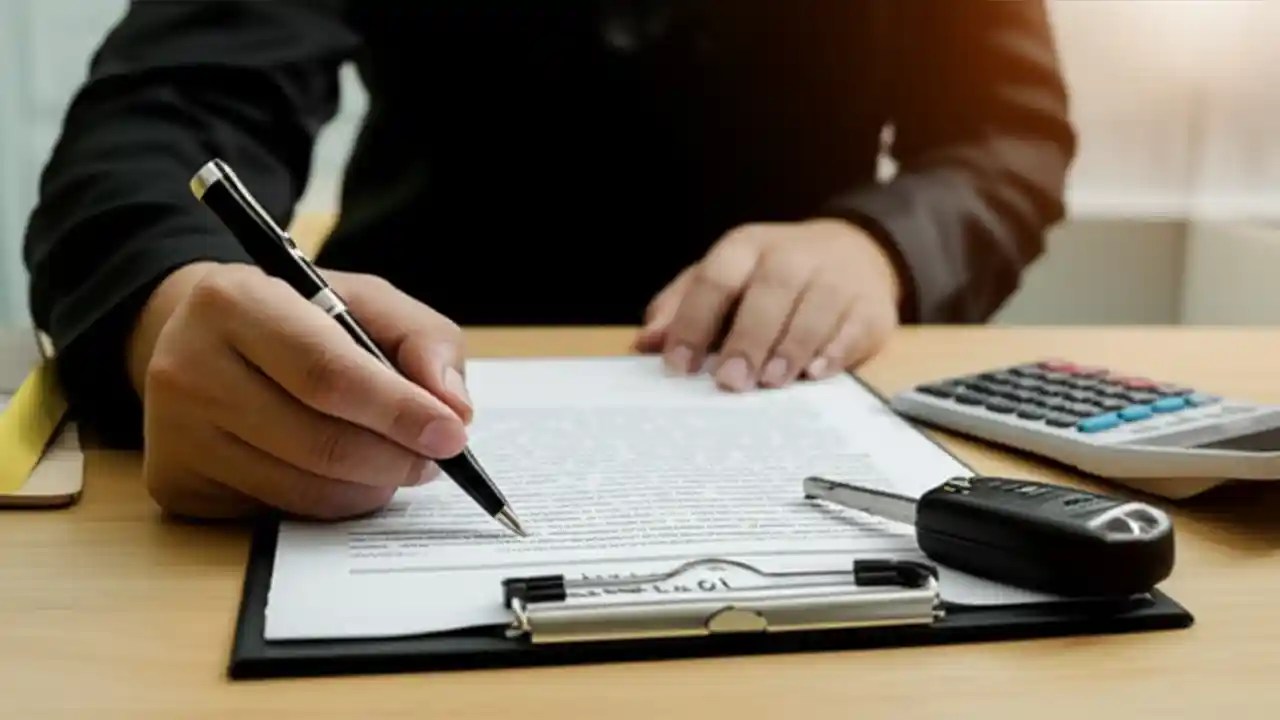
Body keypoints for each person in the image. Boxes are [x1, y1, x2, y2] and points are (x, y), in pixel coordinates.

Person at [22, 1, 1075, 521]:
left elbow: (1003, 141)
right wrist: (174, 298)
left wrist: (876, 244)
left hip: (792, 386)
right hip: (378, 390)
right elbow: (165, 119)